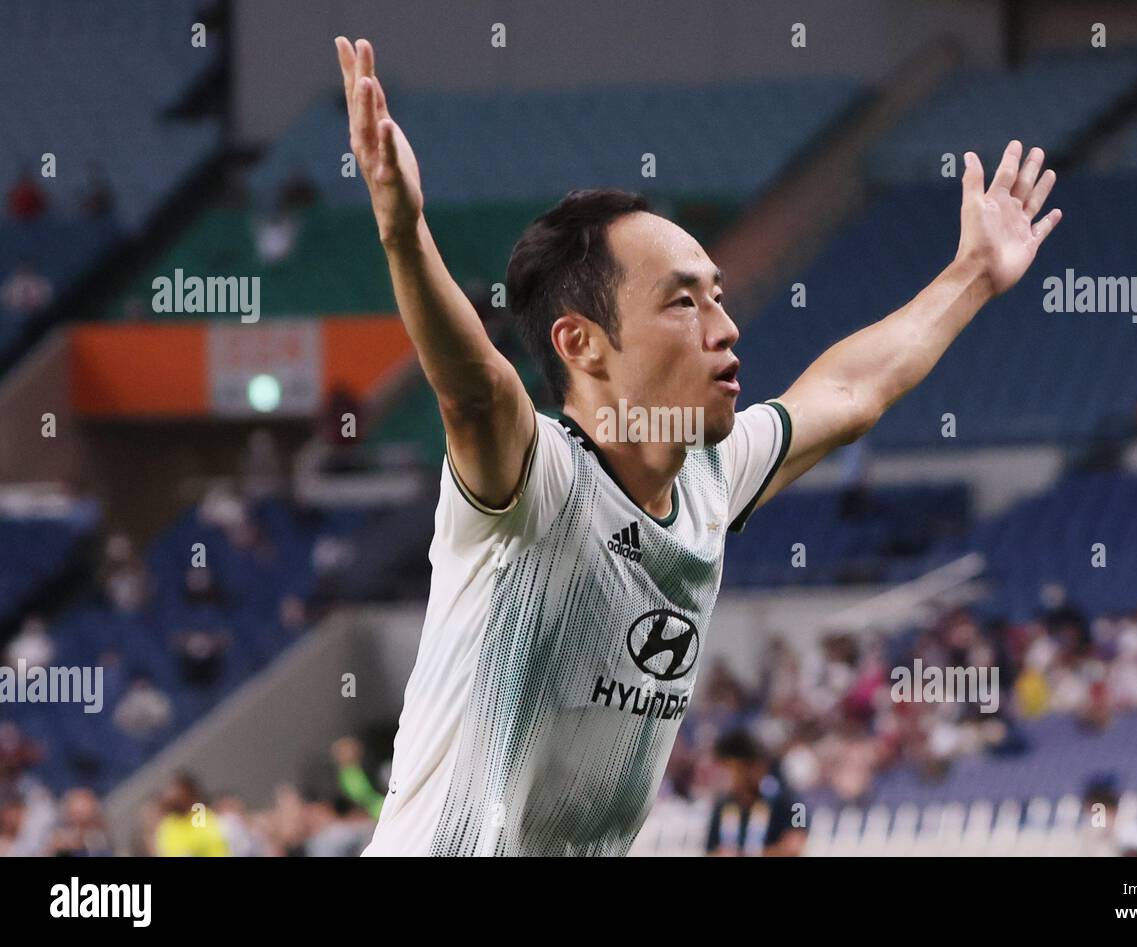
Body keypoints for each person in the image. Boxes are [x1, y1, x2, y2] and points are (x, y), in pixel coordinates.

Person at [333, 37, 1062, 857]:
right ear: (582, 344)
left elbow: (853, 391)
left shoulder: (712, 473)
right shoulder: (535, 481)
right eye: (684, 302)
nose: (726, 327)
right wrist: (403, 232)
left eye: (718, 295)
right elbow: (475, 389)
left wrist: (974, 274)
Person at [706, 730, 805, 856]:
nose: (723, 777)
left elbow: (795, 847)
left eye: (731, 769)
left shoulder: (791, 803)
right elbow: (710, 851)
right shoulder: (722, 808)